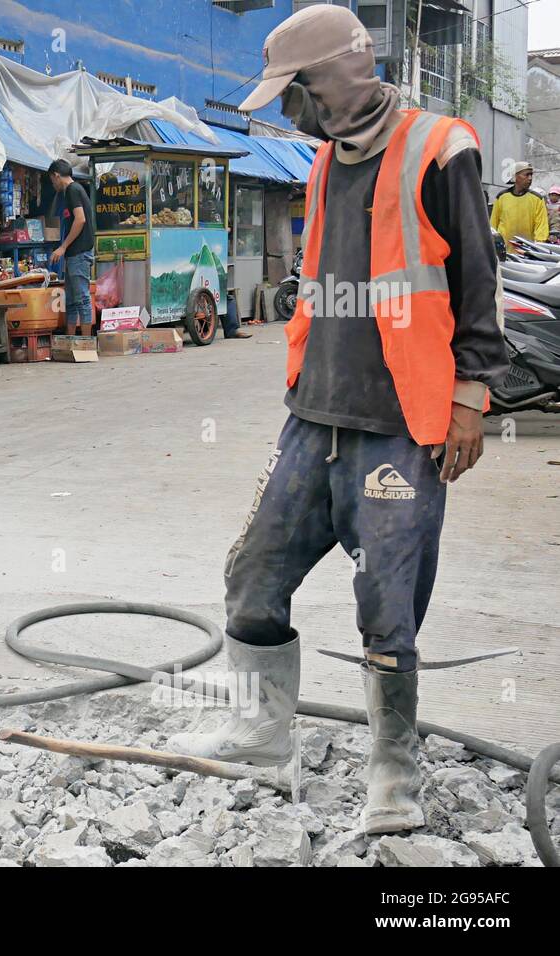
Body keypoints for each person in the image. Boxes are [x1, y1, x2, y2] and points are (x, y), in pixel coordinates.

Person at [166, 5, 508, 836]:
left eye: (297, 94)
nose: (289, 114)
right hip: (312, 416)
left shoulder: (442, 147)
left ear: (335, 81)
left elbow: (478, 282)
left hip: (401, 424)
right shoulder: (321, 164)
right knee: (252, 575)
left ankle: (394, 768)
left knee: (387, 605)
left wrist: (469, 400)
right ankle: (260, 724)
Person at [47, 159, 96, 336]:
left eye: (52, 180)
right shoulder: (73, 191)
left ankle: (86, 343)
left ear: (56, 175)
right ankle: (70, 341)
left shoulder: (73, 190)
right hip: (74, 254)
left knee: (82, 298)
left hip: (79, 252)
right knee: (72, 301)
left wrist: (63, 247)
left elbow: (80, 219)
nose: (53, 184)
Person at [490, 161, 548, 252]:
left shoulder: (537, 199)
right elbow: (493, 225)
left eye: (531, 175)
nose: (530, 178)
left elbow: (541, 228)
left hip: (527, 254)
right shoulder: (501, 197)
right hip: (504, 252)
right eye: (526, 175)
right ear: (516, 176)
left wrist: (537, 249)